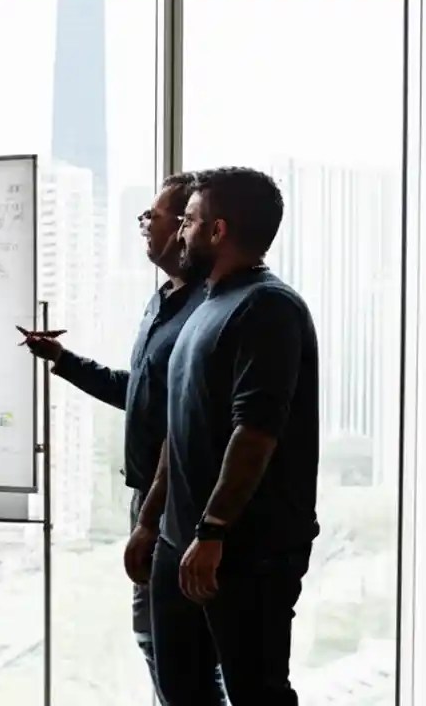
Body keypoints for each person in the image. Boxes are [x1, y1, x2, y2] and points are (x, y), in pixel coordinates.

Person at [21, 172, 225, 701]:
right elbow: (141, 395)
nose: (144, 226)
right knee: (158, 642)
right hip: (152, 497)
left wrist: (150, 519)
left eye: (150, 216)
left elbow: (183, 427)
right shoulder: (163, 301)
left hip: (177, 503)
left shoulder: (204, 311)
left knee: (180, 649)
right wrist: (64, 362)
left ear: (184, 225)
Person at [147, 167, 319, 705]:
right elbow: (181, 426)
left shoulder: (268, 307)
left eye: (190, 221)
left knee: (256, 692)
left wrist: (214, 530)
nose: (180, 233)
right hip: (182, 545)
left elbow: (256, 432)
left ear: (218, 231)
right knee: (183, 691)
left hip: (243, 554)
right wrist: (152, 522)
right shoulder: (204, 306)